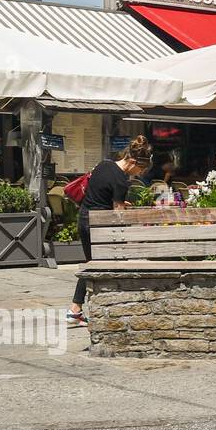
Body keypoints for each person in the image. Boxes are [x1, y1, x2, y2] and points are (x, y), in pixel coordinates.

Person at [68, 136, 152, 327]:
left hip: (84, 219)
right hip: (99, 227)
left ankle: (75, 309)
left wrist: (117, 201)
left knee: (92, 263)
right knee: (95, 265)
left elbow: (97, 193)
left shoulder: (103, 164)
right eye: (140, 170)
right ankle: (78, 308)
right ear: (132, 162)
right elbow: (118, 213)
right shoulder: (121, 180)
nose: (138, 174)